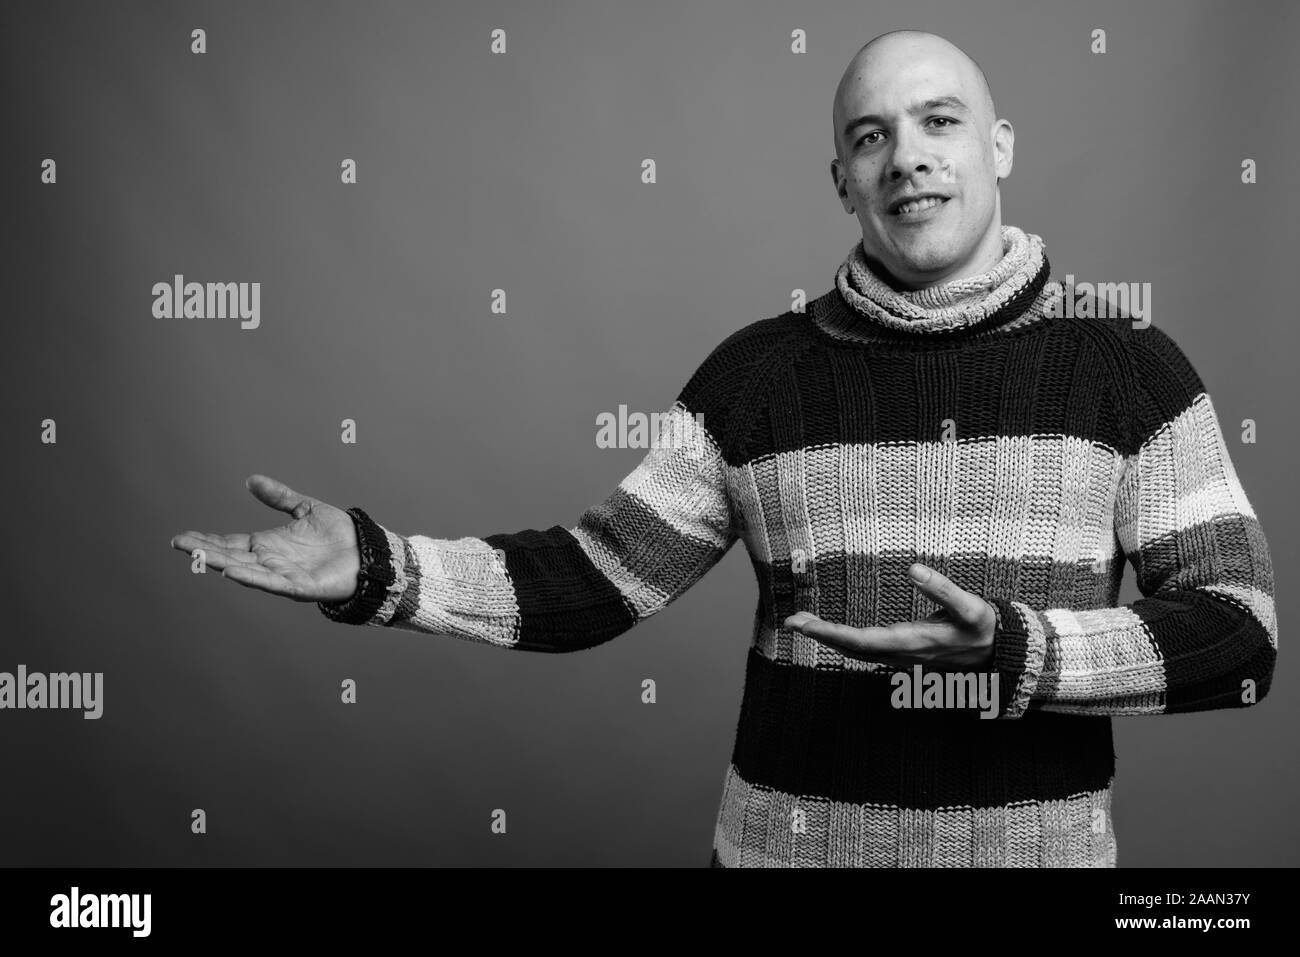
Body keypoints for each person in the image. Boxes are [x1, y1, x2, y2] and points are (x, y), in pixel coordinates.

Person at [170, 30, 1277, 867]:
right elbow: (596, 580)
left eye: (939, 123)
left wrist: (1021, 653)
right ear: (840, 179)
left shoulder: (1127, 367)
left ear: (997, 147)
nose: (907, 161)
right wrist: (377, 568)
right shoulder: (759, 377)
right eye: (869, 136)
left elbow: (1239, 638)